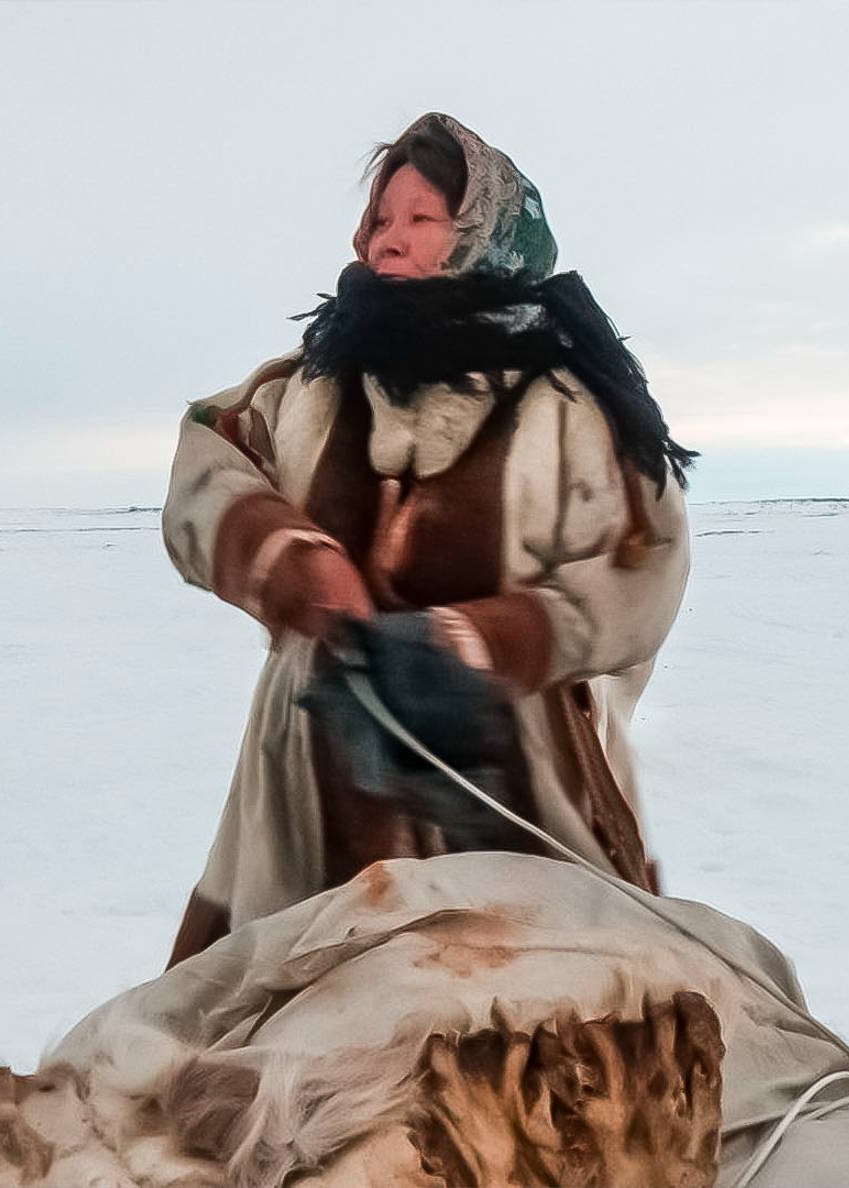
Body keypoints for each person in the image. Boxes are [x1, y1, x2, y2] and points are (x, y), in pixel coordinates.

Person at [158, 113, 694, 968]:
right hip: (307, 794)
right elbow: (206, 458)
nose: (388, 241)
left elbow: (645, 564)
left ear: (483, 234)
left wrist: (487, 640)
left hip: (511, 790)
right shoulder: (311, 386)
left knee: (526, 1056)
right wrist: (288, 558)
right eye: (381, 219)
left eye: (421, 219)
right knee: (270, 1055)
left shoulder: (565, 406)